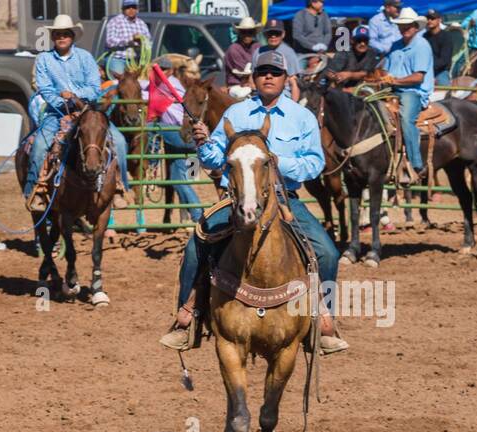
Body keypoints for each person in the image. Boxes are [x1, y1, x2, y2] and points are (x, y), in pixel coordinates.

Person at [161, 50, 347, 355]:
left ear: (286, 78)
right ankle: (188, 319)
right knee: (196, 244)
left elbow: (314, 163)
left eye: (275, 72)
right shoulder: (235, 114)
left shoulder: (301, 118)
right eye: (263, 72)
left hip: (284, 197)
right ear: (254, 78)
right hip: (236, 199)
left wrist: (275, 163)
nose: (269, 77)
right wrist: (203, 143)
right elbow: (214, 160)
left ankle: (321, 322)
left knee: (327, 253)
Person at [23, 15, 102, 211]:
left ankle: (118, 187)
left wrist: (74, 96)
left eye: (66, 34)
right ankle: (36, 189)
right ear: (53, 37)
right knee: (40, 146)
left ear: (72, 36)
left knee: (117, 142)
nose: (61, 37)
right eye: (57, 34)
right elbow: (45, 90)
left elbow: (94, 88)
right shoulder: (44, 59)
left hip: (87, 112)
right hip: (56, 112)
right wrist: (63, 102)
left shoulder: (85, 58)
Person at [379, 7, 433, 181]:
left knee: (407, 119)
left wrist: (395, 81)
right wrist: (383, 77)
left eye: (408, 26)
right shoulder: (395, 45)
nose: (405, 29)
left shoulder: (422, 46)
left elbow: (418, 77)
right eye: (402, 25)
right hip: (392, 89)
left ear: (416, 27)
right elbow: (385, 69)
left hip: (414, 92)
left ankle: (417, 164)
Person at [148, 58, 201, 223]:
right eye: (159, 69)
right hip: (183, 135)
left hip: (181, 133)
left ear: (170, 70)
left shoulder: (169, 84)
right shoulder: (167, 84)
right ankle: (191, 216)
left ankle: (151, 163)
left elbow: (143, 91)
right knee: (178, 178)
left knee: (152, 128)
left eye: (164, 69)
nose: (160, 72)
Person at [102, 0, 150, 78]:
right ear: (123, 9)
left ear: (137, 9)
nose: (131, 10)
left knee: (137, 85)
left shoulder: (141, 23)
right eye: (128, 7)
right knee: (119, 84)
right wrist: (129, 41)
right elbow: (109, 41)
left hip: (135, 60)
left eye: (133, 7)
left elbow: (149, 42)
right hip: (117, 59)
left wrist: (142, 41)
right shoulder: (115, 21)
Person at [258, 20, 301, 100]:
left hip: (283, 94)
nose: (273, 36)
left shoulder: (289, 53)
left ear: (283, 34)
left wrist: (294, 106)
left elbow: (293, 82)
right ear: (264, 35)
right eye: (270, 33)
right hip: (259, 93)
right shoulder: (258, 52)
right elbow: (252, 76)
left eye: (277, 33)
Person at [424, 10, 458, 87]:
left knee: (445, 92)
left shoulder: (446, 37)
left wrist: (428, 68)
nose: (429, 21)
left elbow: (444, 60)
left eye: (432, 18)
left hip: (440, 72)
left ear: (439, 20)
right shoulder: (424, 37)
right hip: (425, 71)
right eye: (428, 18)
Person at [223, 17, 260, 86]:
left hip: (255, 82)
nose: (247, 35)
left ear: (254, 33)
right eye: (244, 32)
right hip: (237, 85)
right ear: (239, 33)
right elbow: (243, 73)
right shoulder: (233, 49)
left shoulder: (257, 46)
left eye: (250, 32)